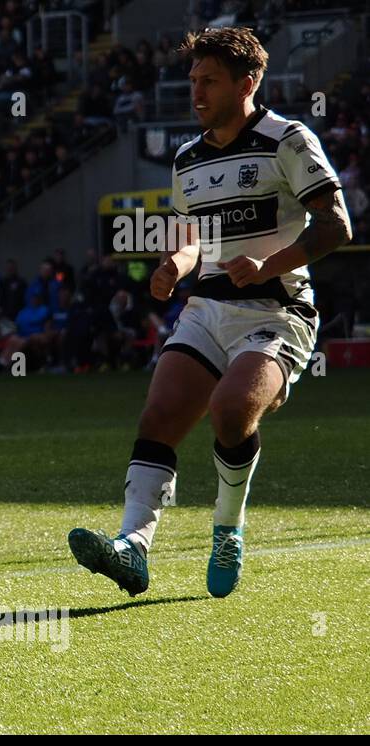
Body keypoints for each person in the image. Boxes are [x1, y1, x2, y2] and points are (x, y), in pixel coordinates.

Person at [68, 27, 351, 598]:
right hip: (207, 309)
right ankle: (132, 546)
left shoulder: (288, 140)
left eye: (210, 81)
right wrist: (173, 265)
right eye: (193, 80)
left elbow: (335, 225)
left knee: (230, 409)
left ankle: (227, 527)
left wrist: (268, 265)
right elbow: (192, 238)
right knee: (160, 416)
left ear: (247, 83)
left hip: (277, 312)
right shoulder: (187, 158)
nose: (196, 92)